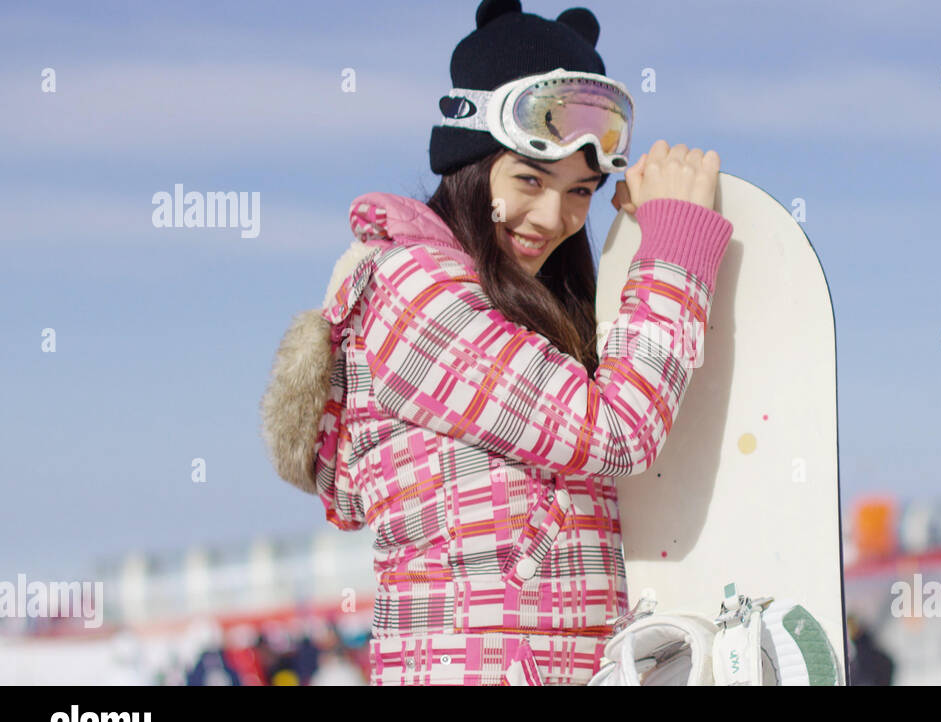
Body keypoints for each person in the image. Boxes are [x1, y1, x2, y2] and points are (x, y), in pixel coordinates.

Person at [305, 0, 732, 685]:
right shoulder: (415, 297)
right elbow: (616, 429)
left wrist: (631, 259)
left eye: (582, 190)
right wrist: (675, 251)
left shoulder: (506, 304)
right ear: (470, 165)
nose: (554, 216)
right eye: (530, 180)